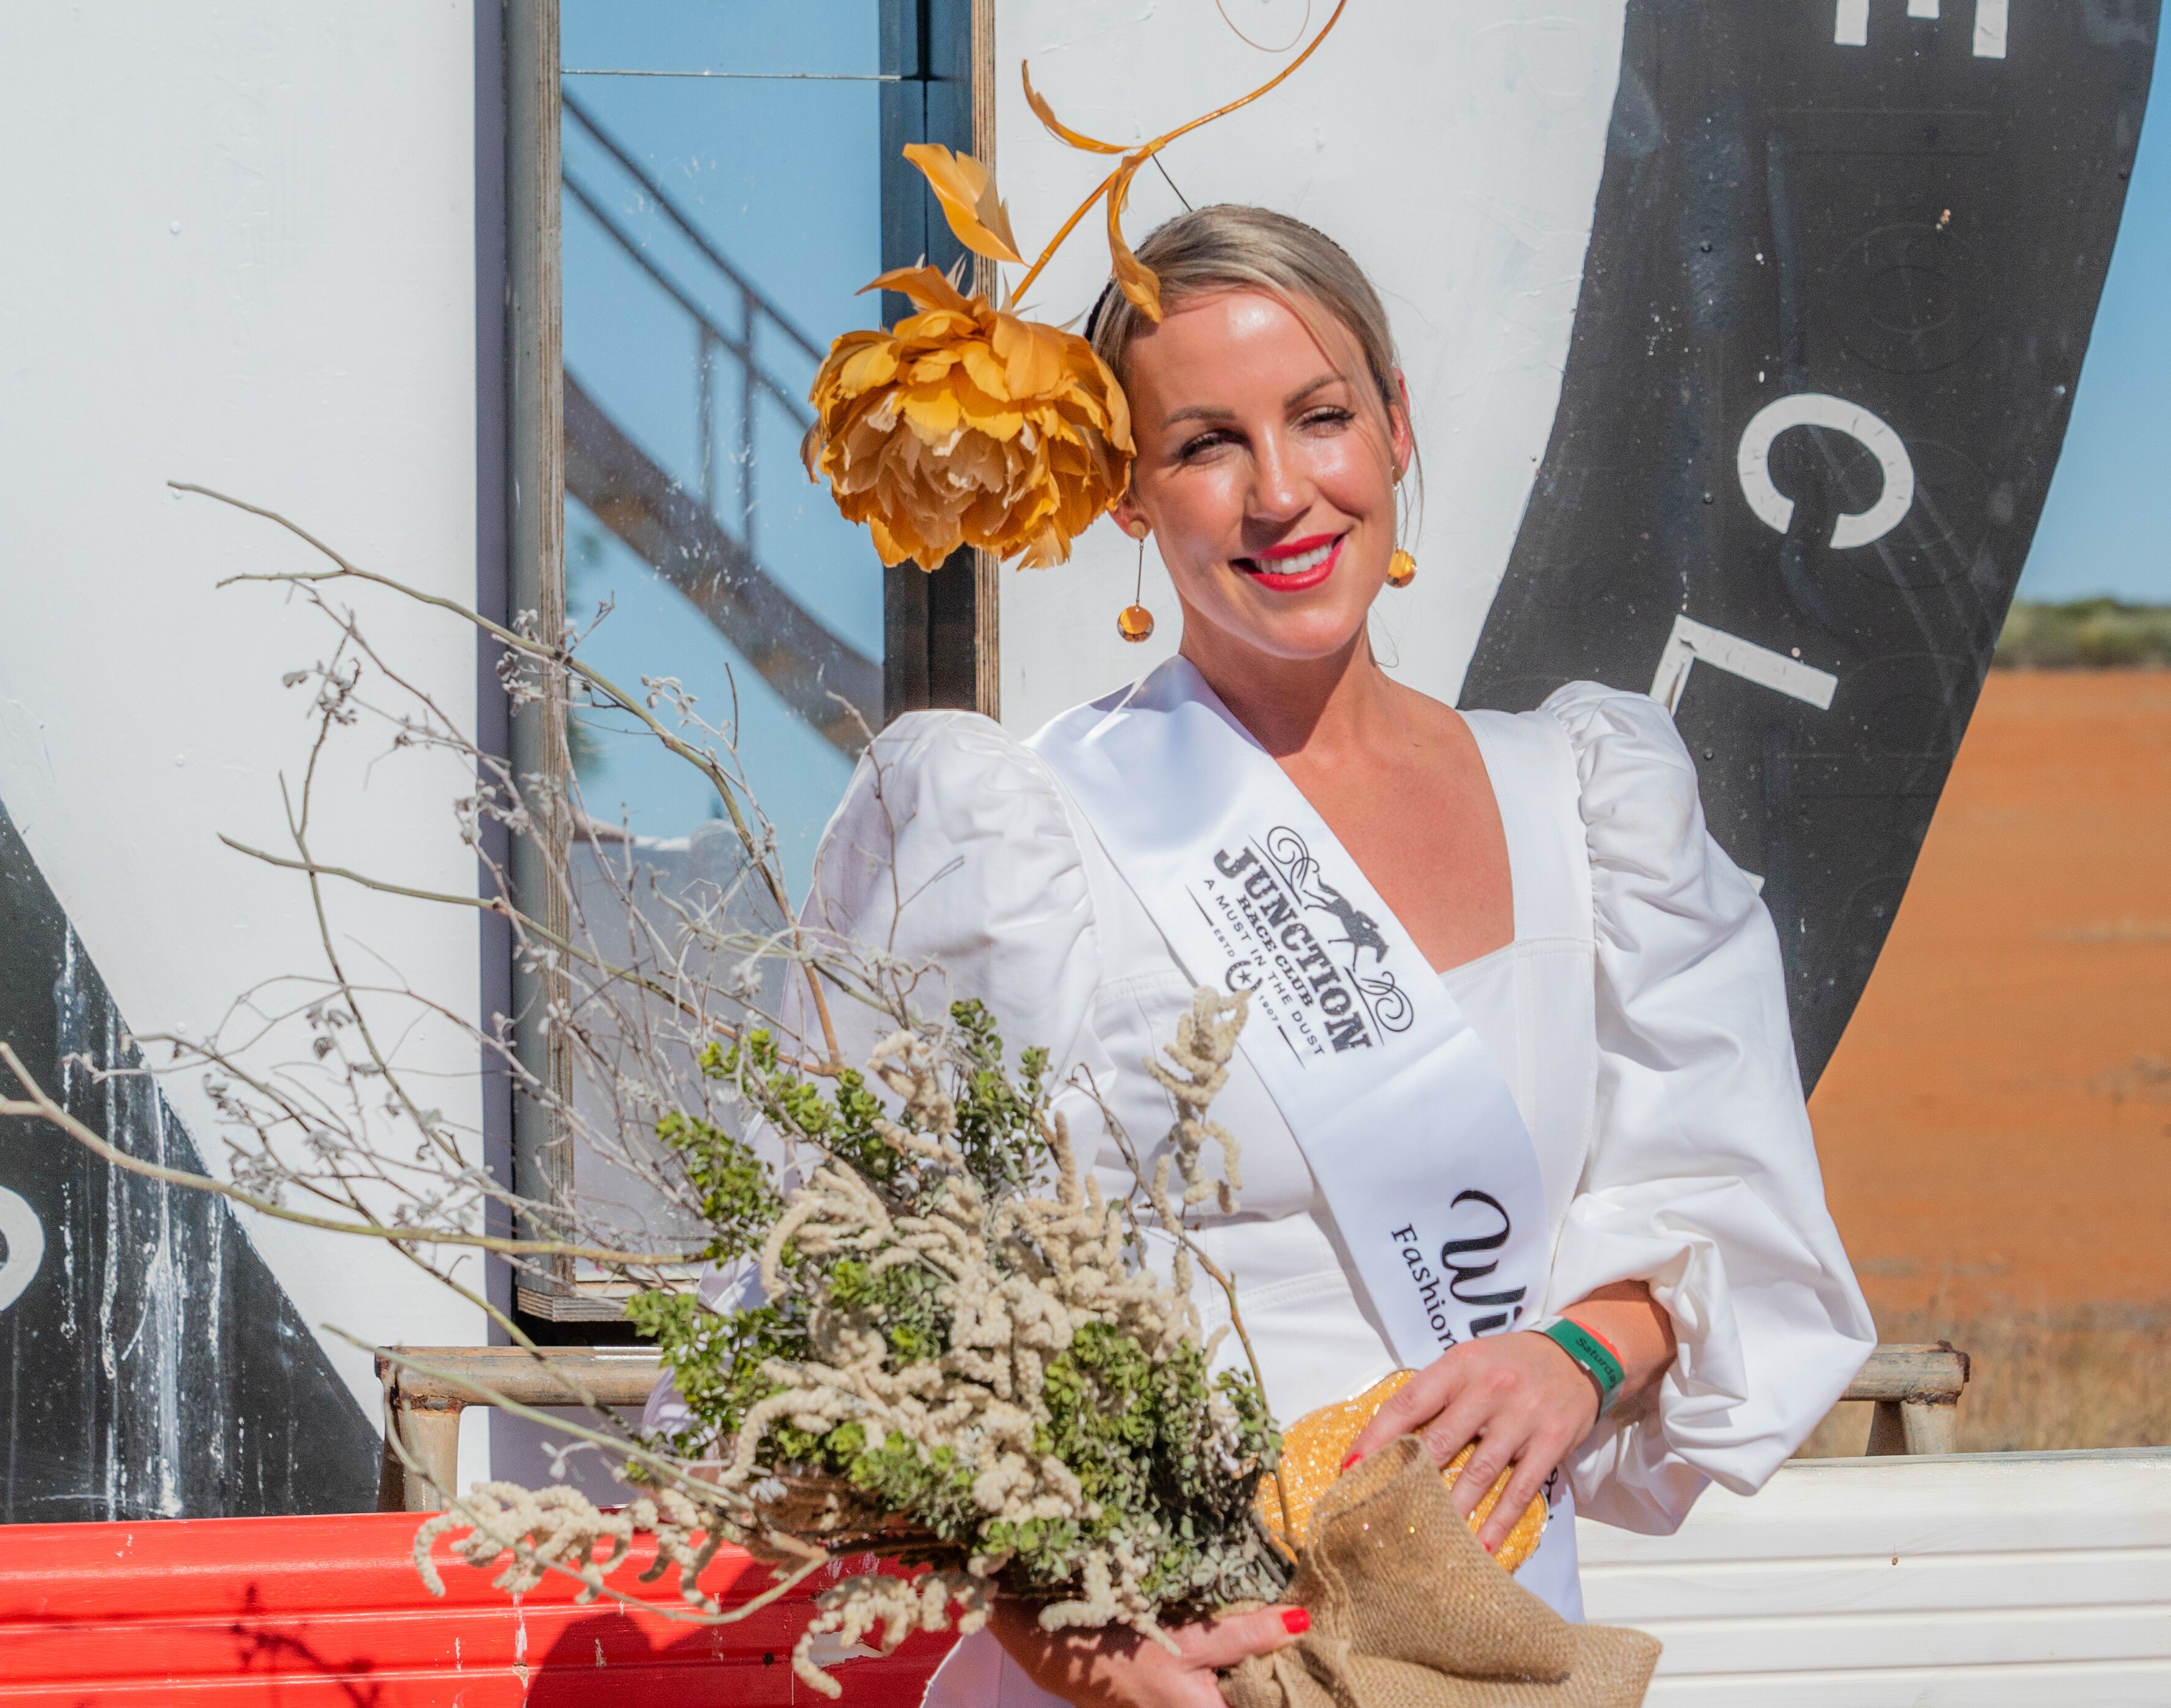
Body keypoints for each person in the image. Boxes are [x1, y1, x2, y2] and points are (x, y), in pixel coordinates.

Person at [783, 205, 1874, 1708]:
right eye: (1205, 445)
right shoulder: (1014, 833)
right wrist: (1076, 1638)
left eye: (1322, 417)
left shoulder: (1593, 801)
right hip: (1158, 1668)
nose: (1281, 494)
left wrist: (1575, 1358)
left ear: (1398, 425)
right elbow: (849, 1302)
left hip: (1475, 1650)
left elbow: (1726, 1205)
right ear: (1128, 498)